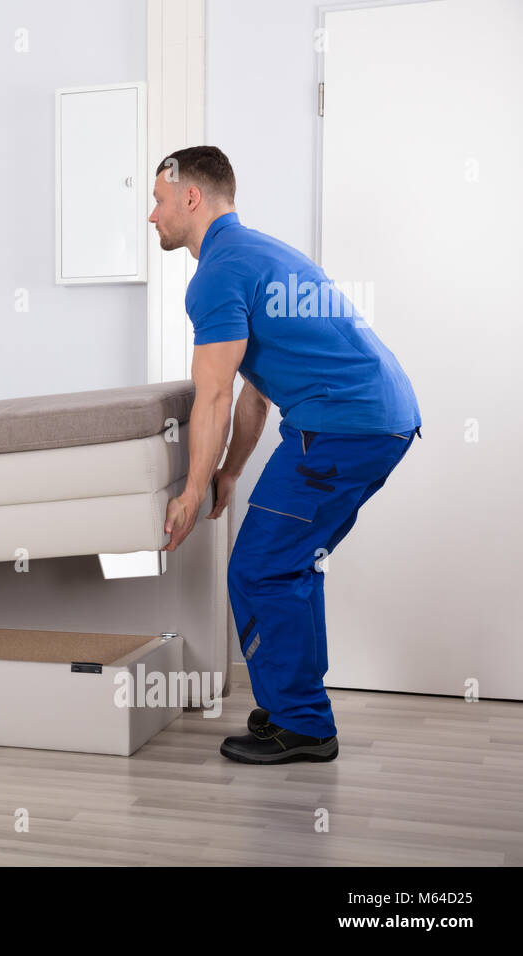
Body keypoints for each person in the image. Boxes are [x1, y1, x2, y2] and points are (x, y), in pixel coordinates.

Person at [149, 147, 420, 764]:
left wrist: (192, 491)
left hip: (345, 427)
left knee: (260, 568)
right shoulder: (259, 254)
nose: (152, 215)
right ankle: (290, 706)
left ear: (191, 199)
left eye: (159, 200)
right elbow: (253, 391)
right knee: (290, 564)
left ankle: (303, 726)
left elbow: (214, 395)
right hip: (370, 418)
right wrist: (230, 472)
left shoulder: (217, 275)